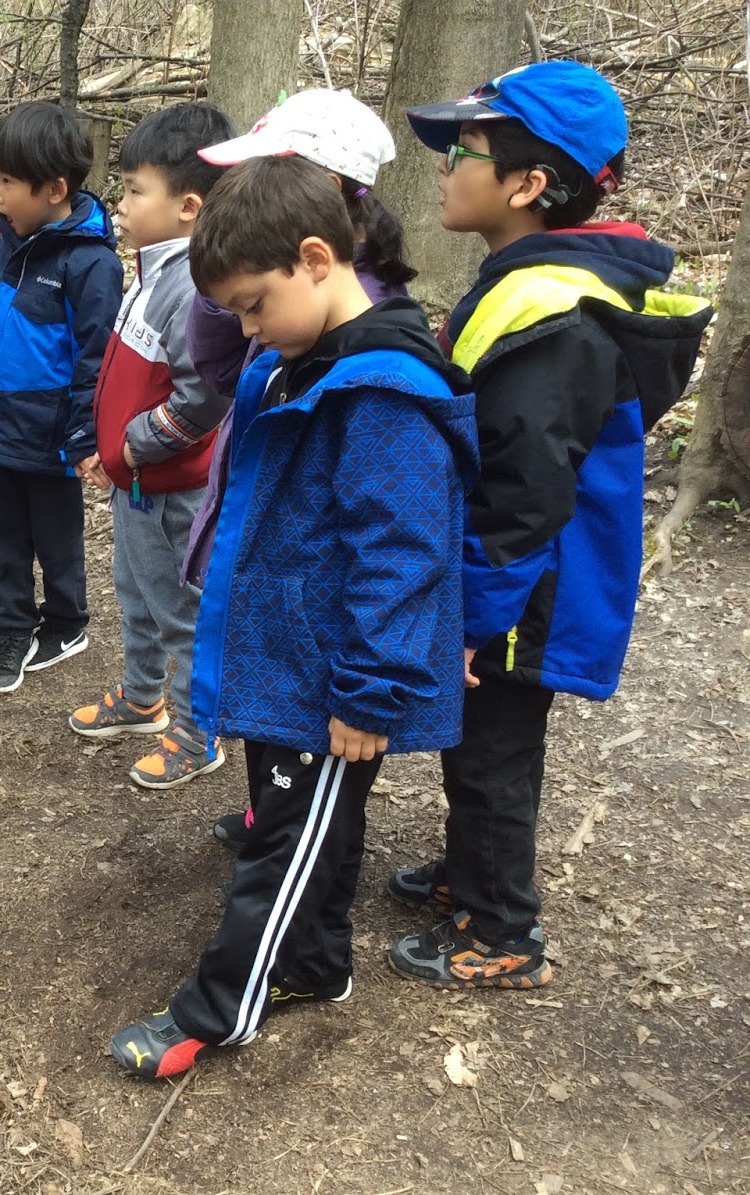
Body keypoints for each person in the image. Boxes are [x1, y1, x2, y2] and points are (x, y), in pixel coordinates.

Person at [109, 156, 479, 1078]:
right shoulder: (296, 363)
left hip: (333, 679)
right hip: (282, 657)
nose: (246, 328)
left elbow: (403, 555)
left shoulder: (383, 394)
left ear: (317, 259)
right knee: (311, 824)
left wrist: (372, 689)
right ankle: (315, 964)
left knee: (281, 840)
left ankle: (218, 1009)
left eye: (252, 304)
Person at [386, 61, 711, 989]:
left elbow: (526, 494)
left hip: (530, 585)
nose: (446, 168)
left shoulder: (555, 309)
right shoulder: (538, 280)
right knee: (475, 735)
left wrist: (472, 619)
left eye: (468, 150)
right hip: (520, 573)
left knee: (494, 748)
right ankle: (468, 874)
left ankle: (501, 931)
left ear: (529, 185)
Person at [186, 88, 417, 845]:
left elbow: (393, 540)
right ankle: (274, 828)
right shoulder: (287, 323)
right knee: (283, 800)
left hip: (320, 645)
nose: (247, 321)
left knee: (305, 828)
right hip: (279, 616)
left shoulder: (368, 365)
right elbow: (220, 358)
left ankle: (290, 934)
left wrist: (370, 684)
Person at [68, 102, 234, 790]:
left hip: (168, 488)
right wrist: (105, 449)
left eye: (136, 190)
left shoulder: (194, 285)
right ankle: (142, 697)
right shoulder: (152, 267)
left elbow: (201, 397)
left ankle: (199, 732)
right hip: (135, 482)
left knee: (178, 609)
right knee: (135, 591)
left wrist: (133, 445)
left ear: (189, 205)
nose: (122, 202)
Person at [0, 101, 123, 693]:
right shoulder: (3, 242)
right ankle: (11, 626)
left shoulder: (91, 263)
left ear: (54, 188)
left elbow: (96, 359)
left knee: (55, 534)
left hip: (51, 432)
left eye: (6, 182)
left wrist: (84, 434)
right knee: (0, 531)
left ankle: (67, 619)